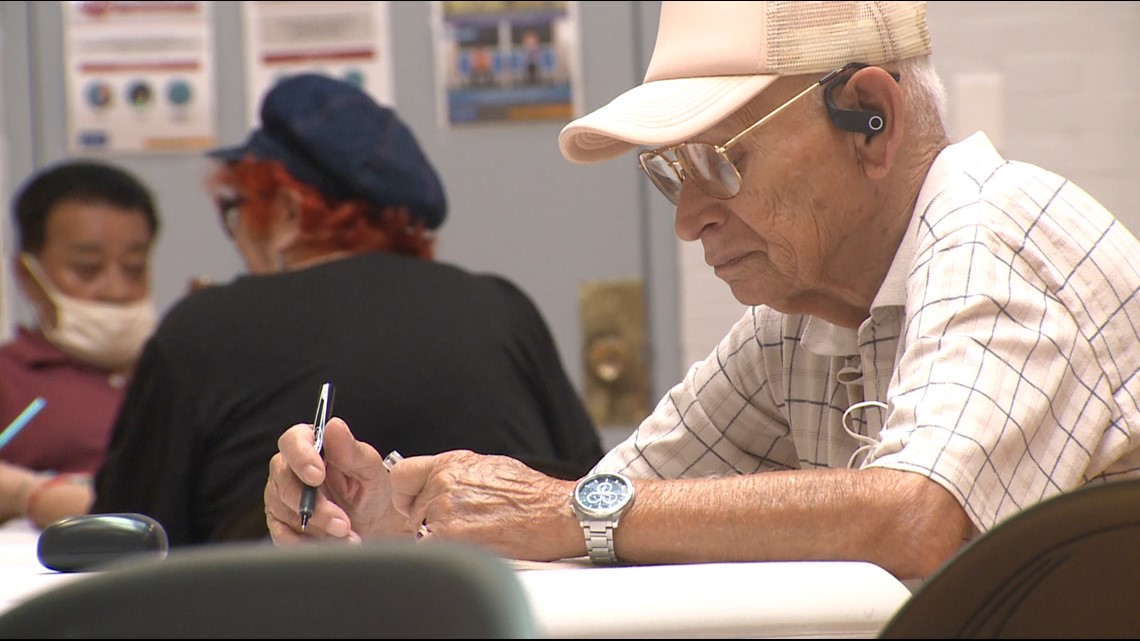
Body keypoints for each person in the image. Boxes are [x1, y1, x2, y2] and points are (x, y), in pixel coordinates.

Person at [264, 1, 1140, 580]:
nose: (689, 220)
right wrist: (396, 524)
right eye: (670, 173)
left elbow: (919, 514)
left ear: (872, 121)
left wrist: (559, 510)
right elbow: (600, 521)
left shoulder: (1001, 229)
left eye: (720, 160)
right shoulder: (804, 318)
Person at [90, 73, 603, 546]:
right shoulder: (500, 309)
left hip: (276, 605)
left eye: (236, 208)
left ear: (287, 212)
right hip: (503, 602)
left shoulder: (203, 328)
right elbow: (591, 488)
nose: (236, 233)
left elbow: (119, 538)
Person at [0, 160, 159, 529]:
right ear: (28, 275)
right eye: (88, 269)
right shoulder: (9, 377)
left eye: (134, 268)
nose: (116, 290)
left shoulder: (178, 373)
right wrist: (28, 494)